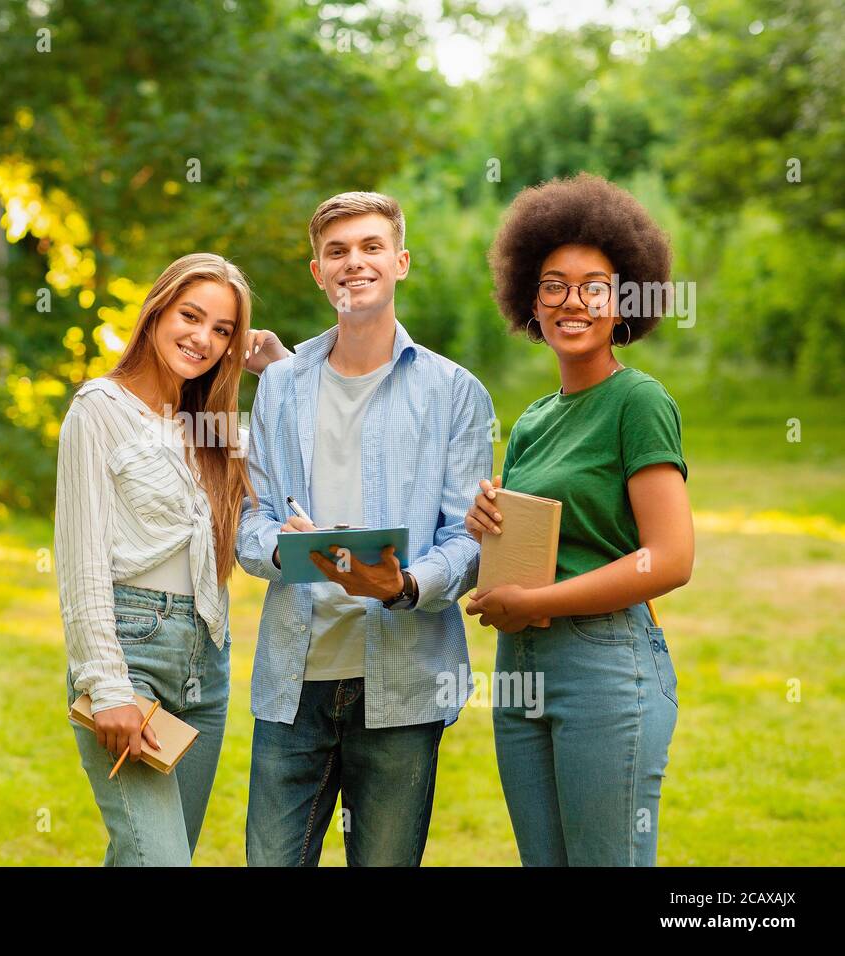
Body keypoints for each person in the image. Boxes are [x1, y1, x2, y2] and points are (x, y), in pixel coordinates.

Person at [236, 192, 495, 866]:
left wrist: (407, 584)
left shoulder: (454, 392)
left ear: (401, 261)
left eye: (371, 247)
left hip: (403, 681)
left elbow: (468, 538)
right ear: (317, 272)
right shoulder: (280, 385)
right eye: (337, 251)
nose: (355, 262)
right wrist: (291, 551)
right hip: (293, 682)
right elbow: (249, 522)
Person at [465, 172, 693, 866]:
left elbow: (671, 560)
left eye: (594, 285)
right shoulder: (533, 421)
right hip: (521, 666)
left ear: (623, 302)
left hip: (605, 665)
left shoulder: (639, 402)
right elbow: (547, 544)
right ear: (529, 302)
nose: (572, 301)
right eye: (552, 285)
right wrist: (490, 524)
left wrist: (536, 600)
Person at [55, 252, 285, 866]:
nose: (203, 338)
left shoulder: (210, 426)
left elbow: (300, 477)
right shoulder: (99, 410)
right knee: (161, 860)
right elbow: (80, 563)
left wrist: (282, 371)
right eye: (191, 315)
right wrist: (107, 688)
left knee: (147, 854)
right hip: (131, 653)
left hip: (205, 660)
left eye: (223, 330)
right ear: (157, 310)